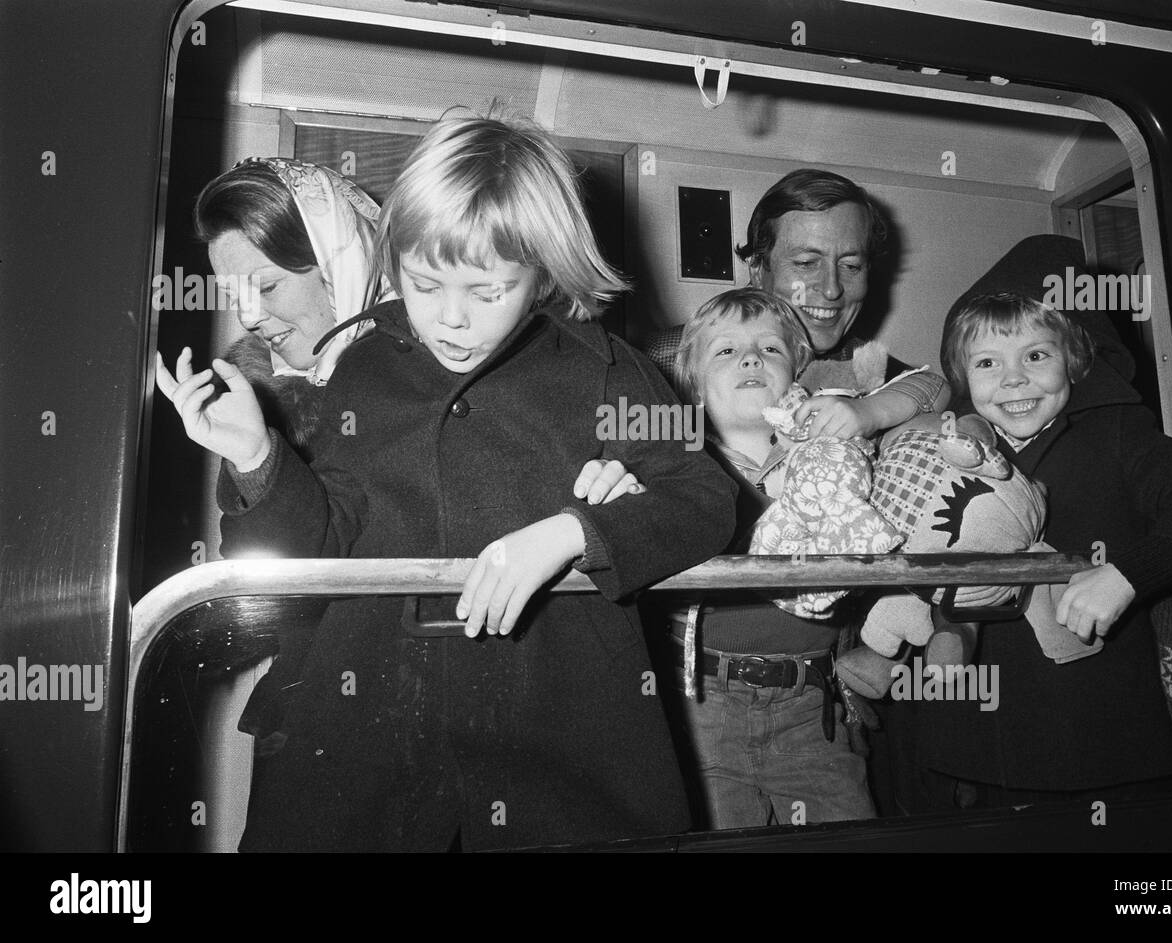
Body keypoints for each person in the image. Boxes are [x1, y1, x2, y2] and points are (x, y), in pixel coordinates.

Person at [156, 111, 738, 851]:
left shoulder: (607, 370)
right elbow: (316, 547)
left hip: (561, 749)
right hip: (373, 746)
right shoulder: (365, 367)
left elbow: (705, 499)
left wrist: (573, 535)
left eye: (489, 291)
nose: (452, 319)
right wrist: (255, 456)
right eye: (425, 283)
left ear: (543, 274)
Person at [192, 158, 642, 757]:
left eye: (267, 286)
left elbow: (679, 495)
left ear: (337, 259)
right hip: (338, 722)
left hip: (528, 717)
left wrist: (603, 516)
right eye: (234, 294)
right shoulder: (257, 400)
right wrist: (255, 459)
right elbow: (271, 586)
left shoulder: (512, 358)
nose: (247, 316)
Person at [902, 253, 1172, 810]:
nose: (1013, 378)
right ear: (963, 376)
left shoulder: (1116, 432)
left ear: (1076, 359)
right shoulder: (945, 451)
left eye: (1036, 355)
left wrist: (1128, 574)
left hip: (1094, 731)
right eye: (987, 362)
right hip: (970, 734)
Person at [664, 287, 877, 828]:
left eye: (770, 350)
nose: (751, 358)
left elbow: (931, 385)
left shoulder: (829, 454)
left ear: (798, 377)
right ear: (693, 385)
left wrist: (868, 411)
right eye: (726, 352)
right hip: (702, 708)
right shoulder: (677, 464)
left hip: (812, 705)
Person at [646, 169, 949, 439]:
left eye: (852, 266)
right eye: (806, 263)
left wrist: (875, 412)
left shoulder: (863, 367)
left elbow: (936, 389)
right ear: (757, 270)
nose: (831, 290)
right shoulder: (668, 359)